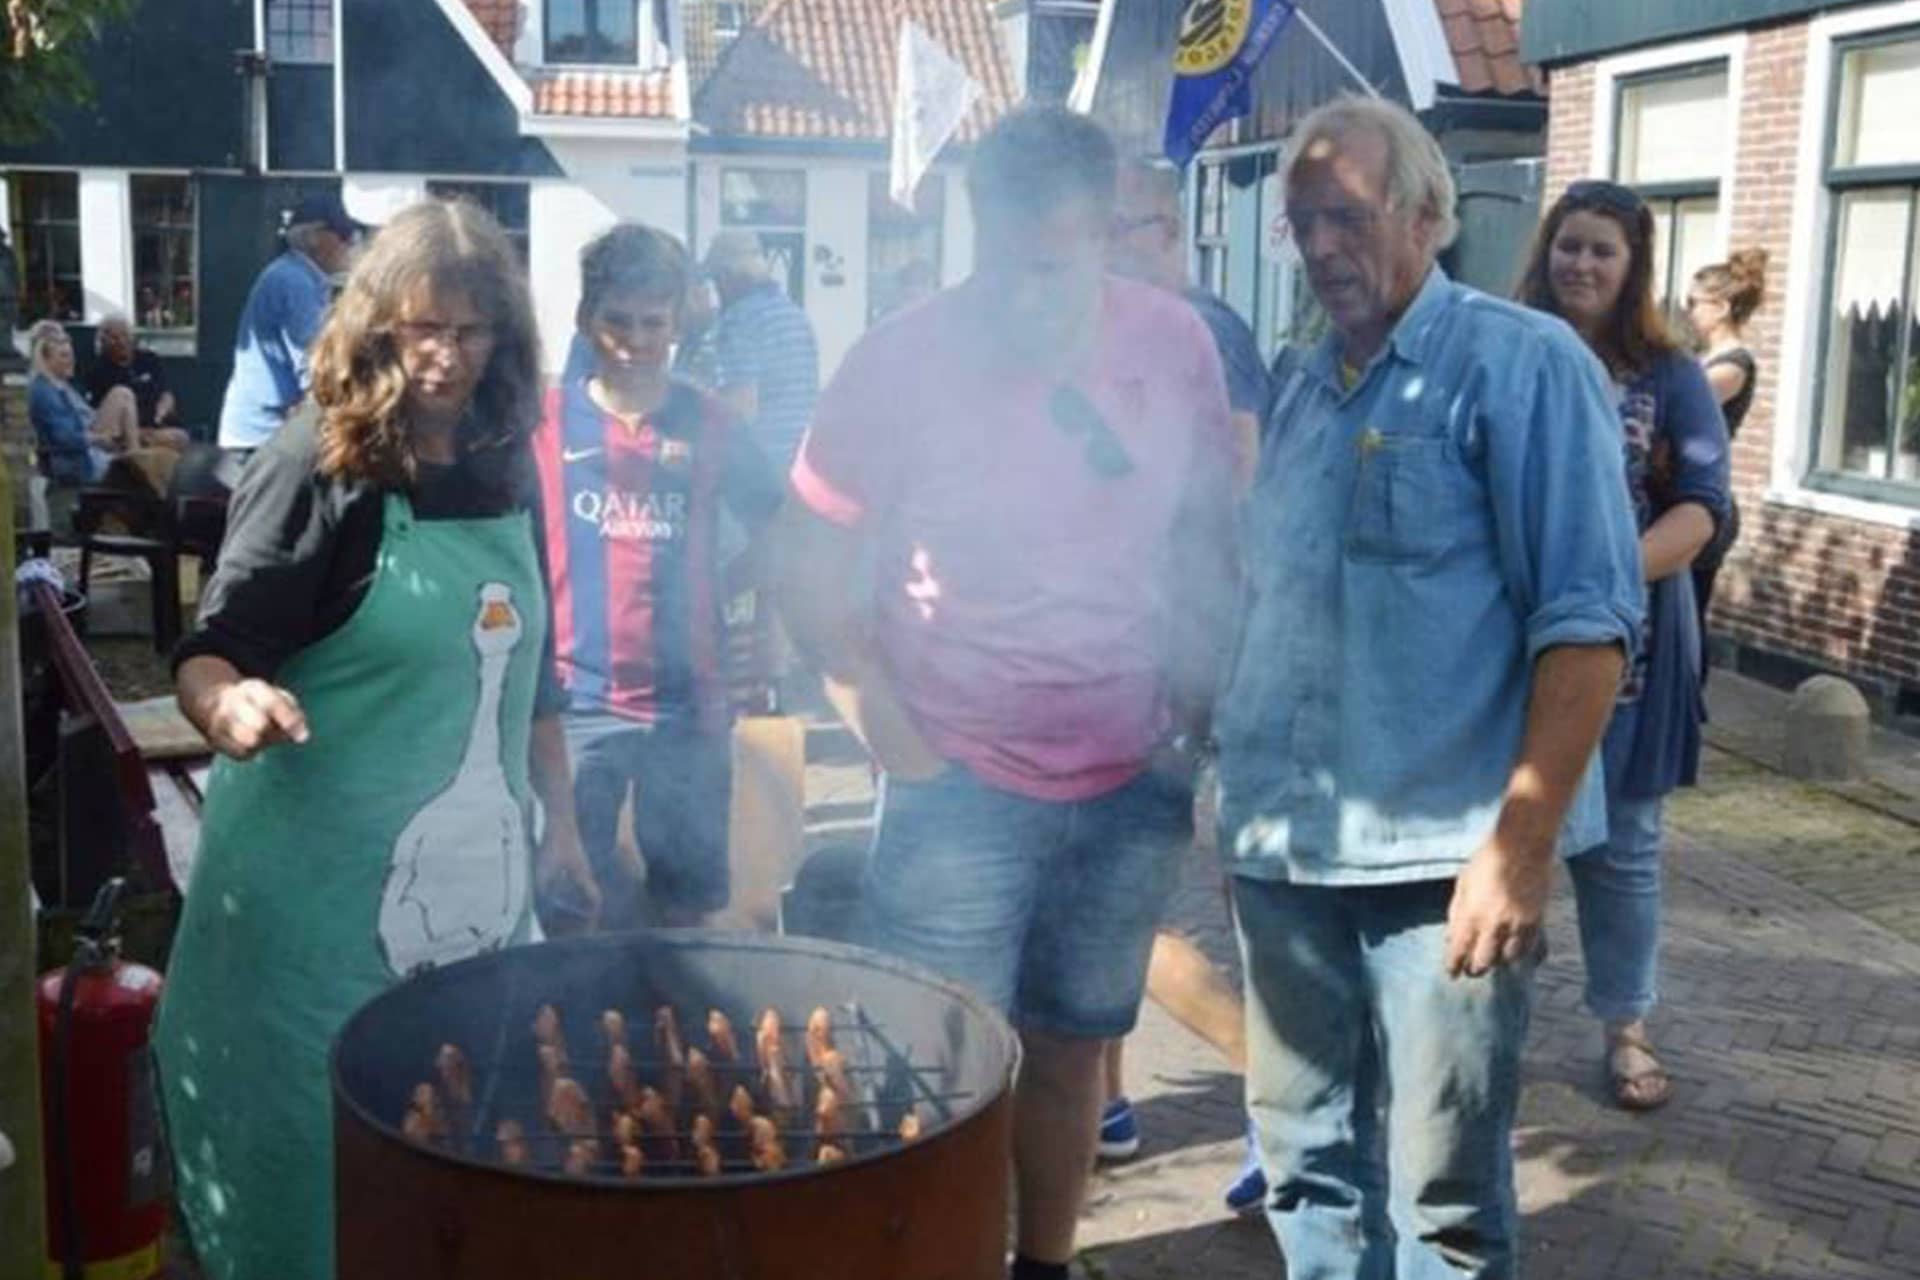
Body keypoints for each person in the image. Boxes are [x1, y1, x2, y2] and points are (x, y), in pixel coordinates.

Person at [777, 106, 1239, 1280]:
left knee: (1077, 1041)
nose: (1030, 288)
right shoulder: (900, 356)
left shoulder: (1175, 342)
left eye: (1060, 257)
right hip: (959, 777)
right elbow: (807, 557)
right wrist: (873, 714)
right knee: (935, 1059)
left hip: (1131, 769)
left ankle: (1044, 1262)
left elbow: (1206, 524)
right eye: (1009, 256)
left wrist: (1196, 699)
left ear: (1106, 233)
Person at [1218, 97, 1644, 1276]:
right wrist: (1242, 806)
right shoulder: (1305, 384)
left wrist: (1519, 845)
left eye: (1345, 217)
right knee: (1304, 1165)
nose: (1318, 247)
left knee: (1441, 1199)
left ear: (1425, 215)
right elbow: (1270, 609)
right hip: (1288, 852)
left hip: (1439, 868)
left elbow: (1589, 624)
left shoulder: (1525, 363)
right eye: (1300, 223)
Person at [155, 200, 600, 1280]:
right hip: (312, 917)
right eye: (420, 330)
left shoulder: (503, 456)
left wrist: (566, 828)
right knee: (314, 1185)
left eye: (473, 330)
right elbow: (210, 647)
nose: (446, 357)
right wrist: (231, 707)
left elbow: (532, 671)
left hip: (477, 909)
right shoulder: (323, 457)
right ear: (375, 325)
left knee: (463, 1166)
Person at [1518, 180, 1732, 1113]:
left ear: (1632, 265)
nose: (1582, 264)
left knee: (1625, 851)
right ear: (1546, 250)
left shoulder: (1672, 374)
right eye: (1570, 245)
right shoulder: (1506, 344)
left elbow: (1702, 511)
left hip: (1633, 654)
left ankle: (1626, 1026)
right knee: (1505, 833)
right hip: (1510, 647)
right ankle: (1490, 1022)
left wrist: (1608, 576)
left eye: (1603, 250)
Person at [1098, 153, 1271, 1212]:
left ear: (1172, 232)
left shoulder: (1212, 331)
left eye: (1138, 229)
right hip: (1116, 660)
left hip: (1209, 654)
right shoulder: (1084, 332)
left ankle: (1281, 1108)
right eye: (1103, 228)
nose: (1120, 248)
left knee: (1237, 899)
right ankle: (1108, 1098)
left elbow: (1236, 477)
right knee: (1107, 889)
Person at [533, 223, 784, 931]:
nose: (635, 341)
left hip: (690, 703)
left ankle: (670, 1024)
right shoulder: (545, 422)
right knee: (569, 899)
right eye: (618, 321)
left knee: (687, 901)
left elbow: (779, 527)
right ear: (587, 320)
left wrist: (740, 605)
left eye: (653, 324)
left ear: (677, 325)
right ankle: (575, 1027)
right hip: (578, 703)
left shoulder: (711, 421)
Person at [215, 190, 365, 455]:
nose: (350, 243)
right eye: (344, 234)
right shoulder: (295, 282)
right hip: (264, 440)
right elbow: (316, 365)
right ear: (317, 236)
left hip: (256, 435)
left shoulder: (296, 276)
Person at [1685, 248, 1767, 666]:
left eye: (1693, 303)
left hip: (1706, 500)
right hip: (1681, 496)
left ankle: (1686, 714)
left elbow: (1684, 406)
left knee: (1687, 619)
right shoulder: (1704, 359)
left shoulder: (1733, 366)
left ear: (1720, 307)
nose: (1689, 312)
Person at [25, 319, 179, 512]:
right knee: (158, 464)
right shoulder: (45, 392)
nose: (71, 361)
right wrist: (98, 439)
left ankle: (136, 458)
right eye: (63, 356)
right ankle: (137, 462)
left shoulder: (61, 387)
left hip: (94, 448)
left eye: (71, 355)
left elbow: (87, 418)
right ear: (45, 359)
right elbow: (65, 438)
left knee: (168, 456)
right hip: (80, 463)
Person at [704, 229, 819, 471]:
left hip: (757, 465)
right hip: (800, 460)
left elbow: (741, 409)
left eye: (716, 279)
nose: (717, 290)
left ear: (728, 277)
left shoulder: (738, 321)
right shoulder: (795, 315)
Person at [86, 312, 191, 447]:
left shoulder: (149, 359)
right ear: (103, 341)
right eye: (114, 337)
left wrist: (163, 409)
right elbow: (102, 414)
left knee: (180, 437)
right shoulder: (97, 370)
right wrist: (135, 430)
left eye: (125, 335)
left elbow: (166, 393)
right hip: (126, 429)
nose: (121, 342)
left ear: (132, 337)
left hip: (158, 425)